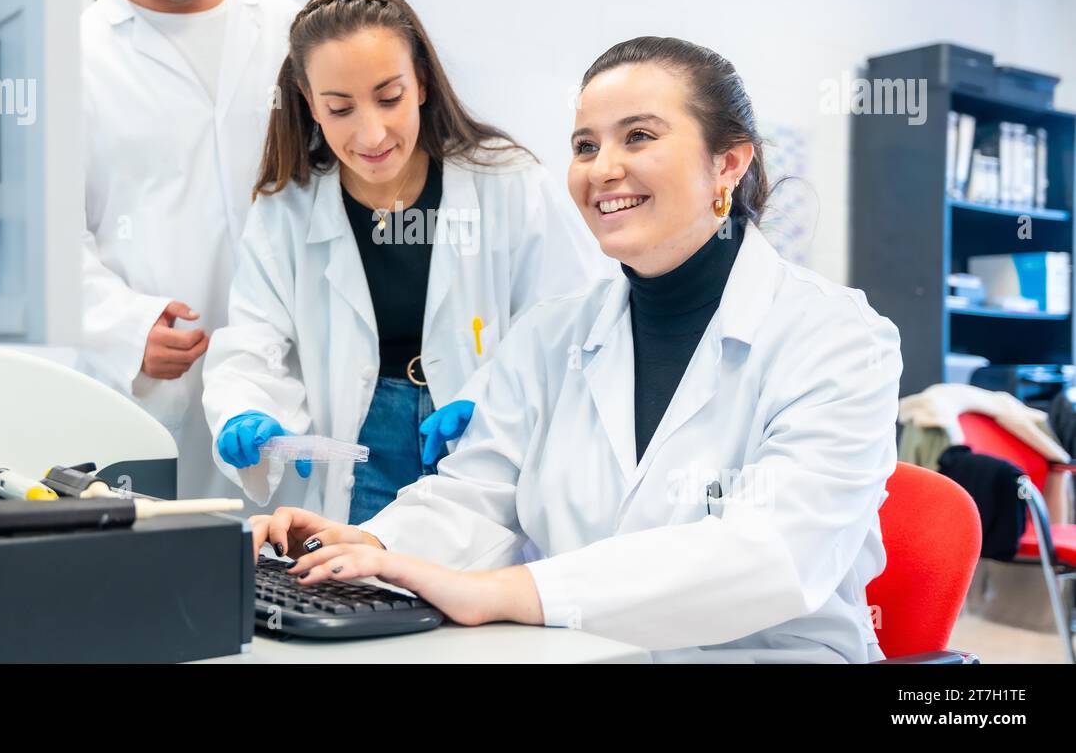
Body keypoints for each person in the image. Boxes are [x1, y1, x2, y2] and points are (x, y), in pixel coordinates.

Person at [248, 36, 902, 662]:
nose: (602, 168)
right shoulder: (551, 335)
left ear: (728, 162)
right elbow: (476, 496)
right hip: (582, 654)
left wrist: (506, 593)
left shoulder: (837, 339)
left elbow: (770, 554)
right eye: (586, 145)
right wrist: (367, 544)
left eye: (638, 136)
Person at [202, 0, 605, 524]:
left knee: (477, 568)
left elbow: (568, 320)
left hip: (481, 441)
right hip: (359, 453)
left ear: (421, 82)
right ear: (309, 103)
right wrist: (247, 409)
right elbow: (253, 340)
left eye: (389, 98)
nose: (371, 134)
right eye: (340, 108)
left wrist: (493, 397)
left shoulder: (507, 181)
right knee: (361, 572)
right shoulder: (288, 209)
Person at [77, 0, 298, 497]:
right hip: (151, 402)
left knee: (292, 555)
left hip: (285, 391)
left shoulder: (288, 31)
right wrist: (124, 328)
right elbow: (49, 242)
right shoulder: (74, 54)